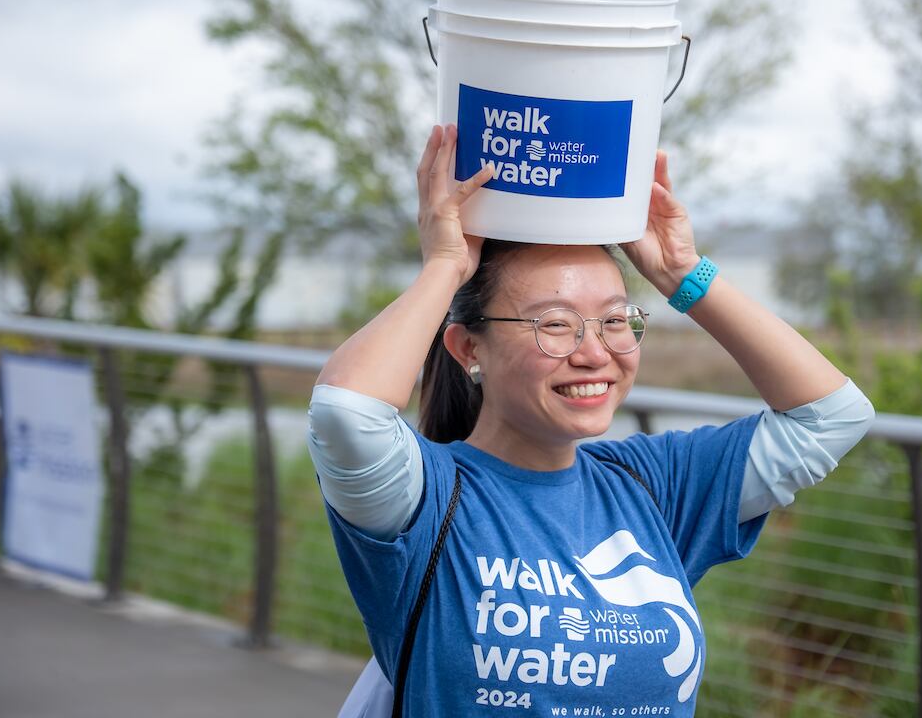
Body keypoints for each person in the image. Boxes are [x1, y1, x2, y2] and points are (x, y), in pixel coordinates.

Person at [308, 123, 875, 716]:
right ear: (469, 348)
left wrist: (683, 275)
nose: (594, 352)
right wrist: (445, 266)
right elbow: (348, 412)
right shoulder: (423, 500)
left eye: (615, 320)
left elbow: (831, 416)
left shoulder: (654, 487)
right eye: (554, 324)